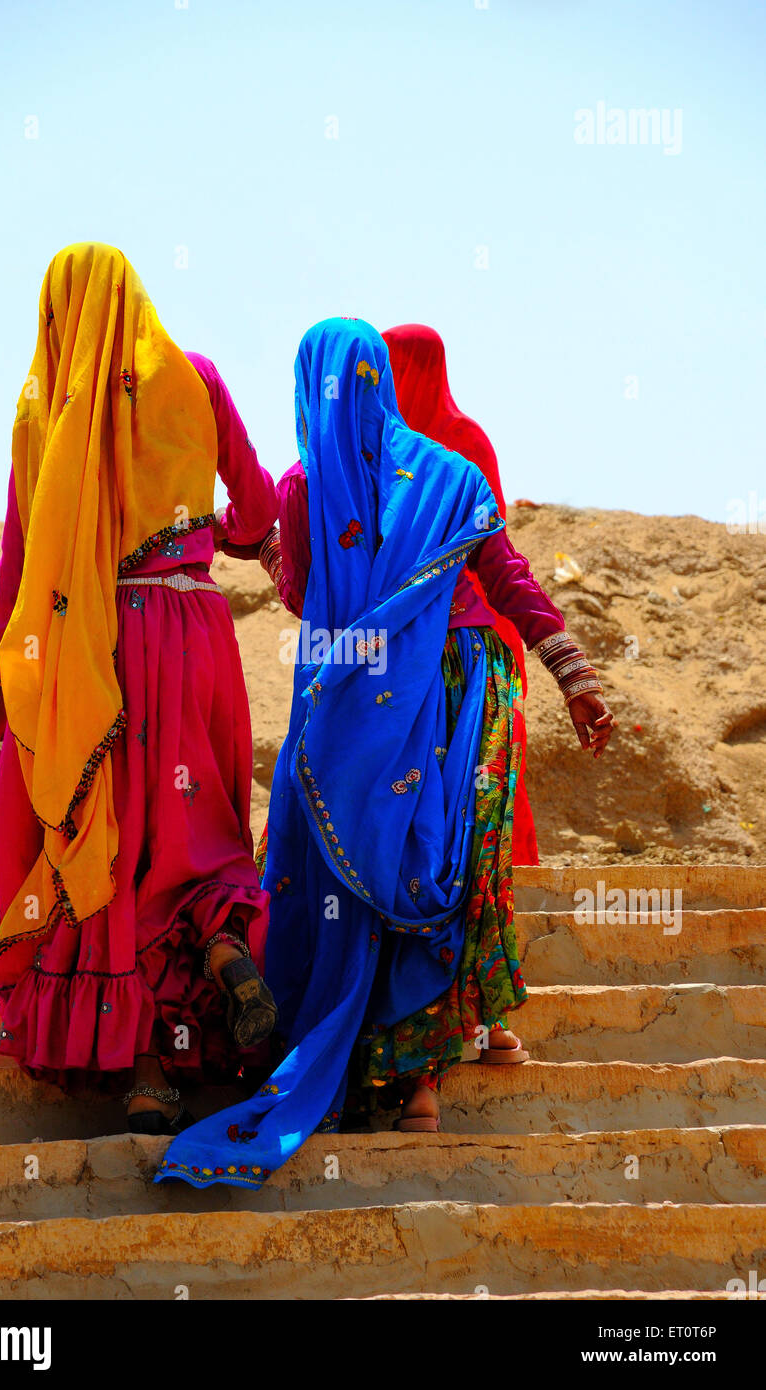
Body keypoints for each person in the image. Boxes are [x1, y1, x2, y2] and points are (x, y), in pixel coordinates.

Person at [156, 317, 614, 1191]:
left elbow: (296, 595)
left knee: (332, 866)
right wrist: (571, 671)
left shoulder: (302, 485)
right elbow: (508, 575)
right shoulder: (451, 475)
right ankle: (420, 1087)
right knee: (438, 864)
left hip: (349, 705)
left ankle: (324, 1071)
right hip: (463, 685)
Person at [0, 242, 278, 1135]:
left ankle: (147, 1070)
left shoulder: (50, 407)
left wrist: (5, 680)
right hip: (195, 631)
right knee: (196, 823)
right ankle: (223, 939)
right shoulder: (198, 377)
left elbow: (23, 563)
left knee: (107, 843)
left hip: (97, 644)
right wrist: (205, 533)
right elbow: (257, 511)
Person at [382, 322, 539, 866]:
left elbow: (490, 544)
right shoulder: (387, 441)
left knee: (466, 772)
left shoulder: (458, 443)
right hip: (424, 628)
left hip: (459, 629)